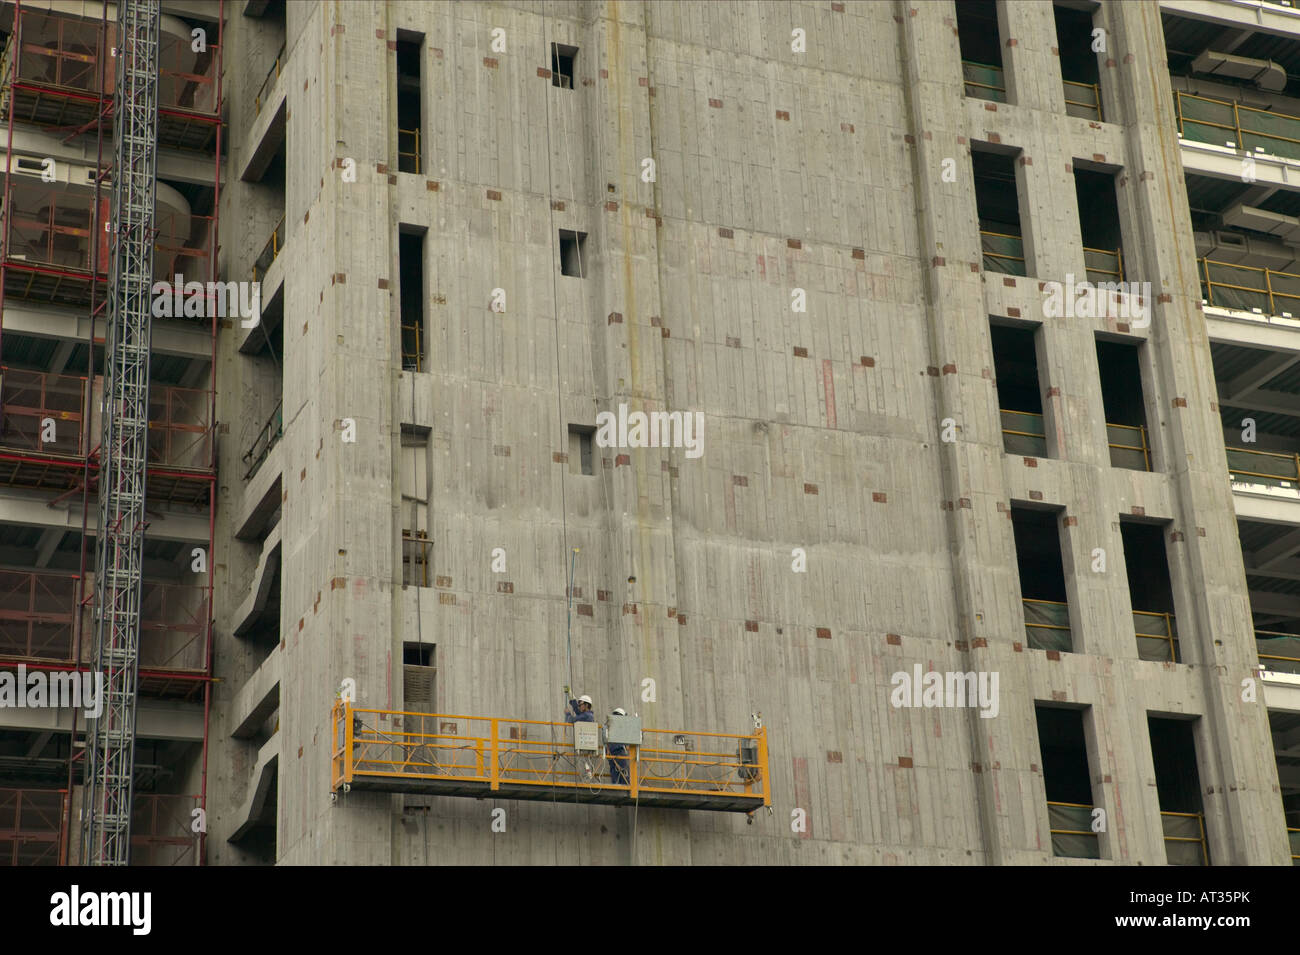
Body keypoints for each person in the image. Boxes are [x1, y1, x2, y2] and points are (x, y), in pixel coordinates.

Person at [607, 707, 630, 786]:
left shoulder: (610, 727)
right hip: (619, 753)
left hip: (611, 754)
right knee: (624, 773)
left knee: (615, 773)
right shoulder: (619, 728)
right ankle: (625, 786)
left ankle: (616, 785)